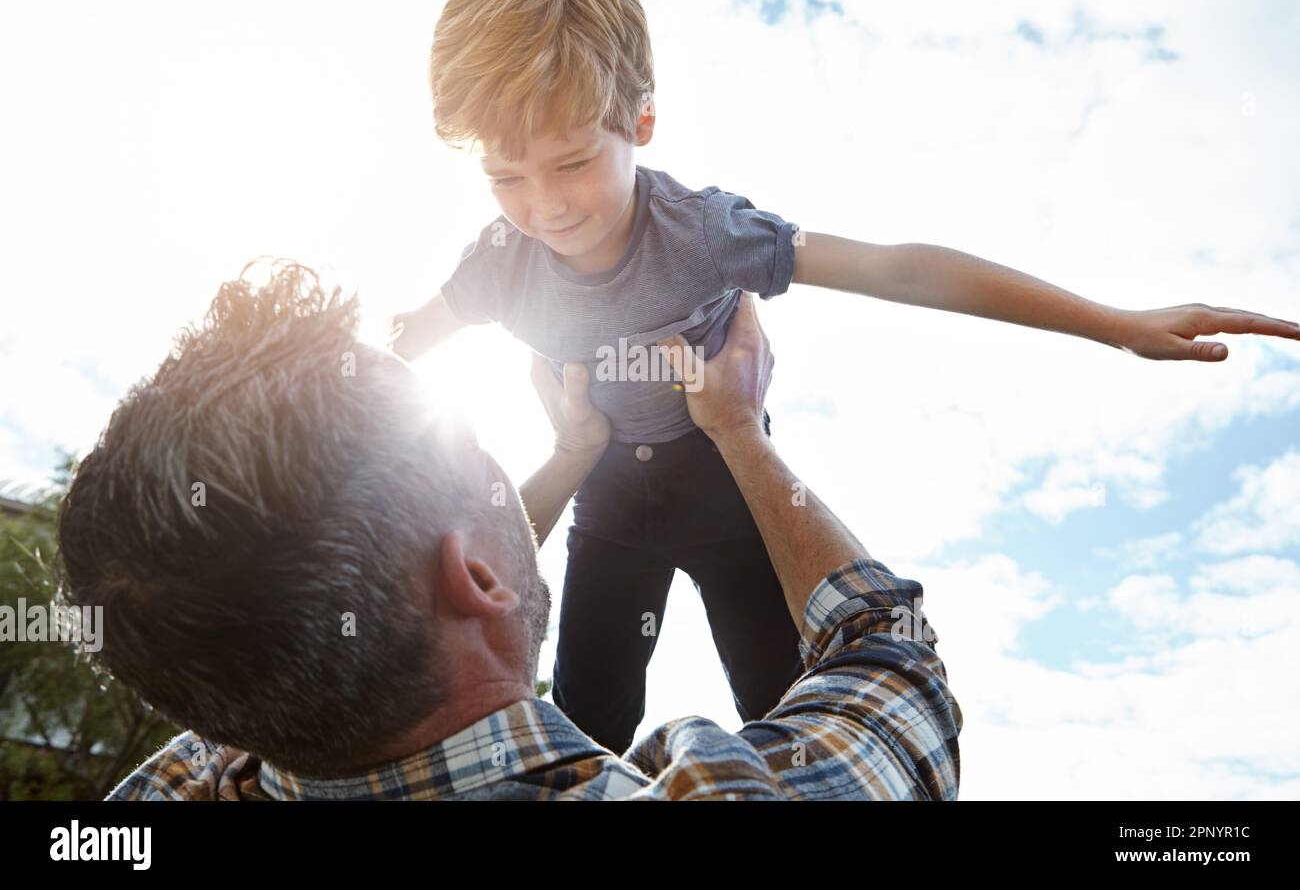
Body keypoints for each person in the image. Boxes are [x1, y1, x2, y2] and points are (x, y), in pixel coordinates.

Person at [390, 0, 1300, 755]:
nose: (545, 205)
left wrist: (1116, 321)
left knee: (786, 710)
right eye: (506, 176)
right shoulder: (500, 265)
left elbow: (896, 269)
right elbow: (388, 354)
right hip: (611, 509)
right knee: (587, 722)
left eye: (573, 161)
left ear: (641, 120)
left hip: (732, 491)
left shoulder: (703, 233)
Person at [59, 261, 960, 799]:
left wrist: (571, 453)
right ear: (478, 578)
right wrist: (739, 432)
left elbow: (356, 600)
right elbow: (893, 663)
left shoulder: (185, 773)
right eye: (477, 453)